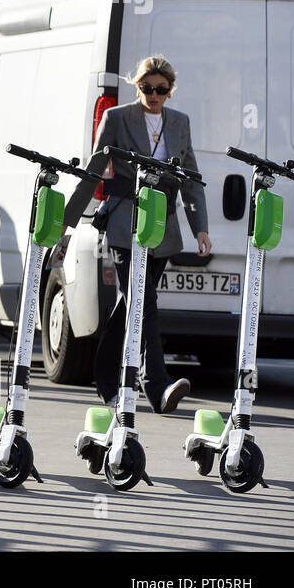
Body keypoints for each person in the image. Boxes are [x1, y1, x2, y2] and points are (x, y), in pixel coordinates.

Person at [60, 55, 209, 414]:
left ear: (170, 90)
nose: (153, 95)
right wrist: (68, 219)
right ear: (137, 85)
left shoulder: (180, 123)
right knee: (145, 302)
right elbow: (96, 168)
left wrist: (200, 227)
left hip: (163, 226)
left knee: (133, 303)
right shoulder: (116, 118)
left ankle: (106, 378)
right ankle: (157, 386)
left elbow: (190, 177)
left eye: (160, 89)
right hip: (126, 220)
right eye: (146, 88)